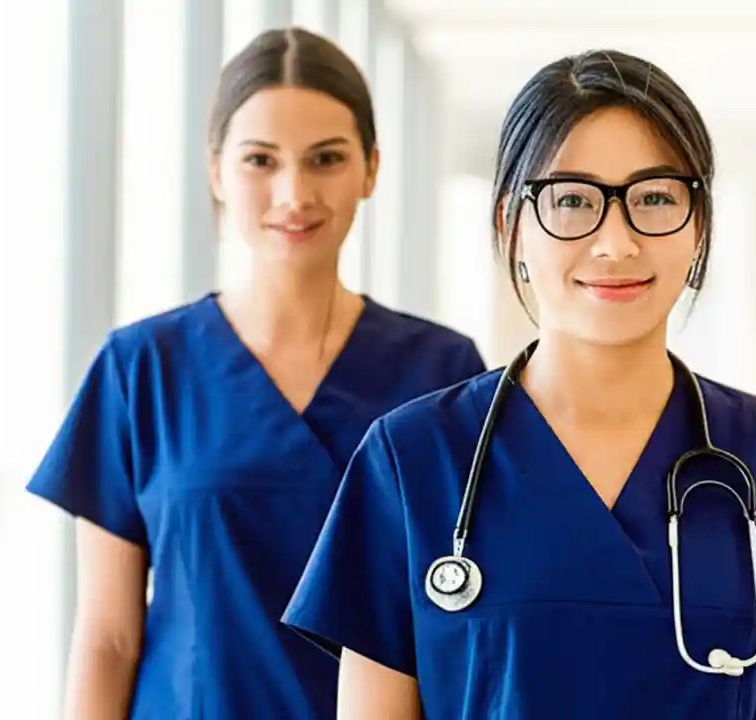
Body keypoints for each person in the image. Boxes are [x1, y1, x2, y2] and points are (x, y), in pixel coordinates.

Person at [280, 49, 756, 719]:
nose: (615, 242)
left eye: (656, 197)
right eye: (573, 200)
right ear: (510, 226)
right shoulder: (412, 460)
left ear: (698, 229)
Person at [25, 27, 485, 719]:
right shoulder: (141, 369)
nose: (293, 192)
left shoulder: (443, 374)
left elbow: (460, 624)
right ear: (216, 172)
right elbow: (109, 636)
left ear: (371, 168)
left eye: (325, 158)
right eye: (260, 160)